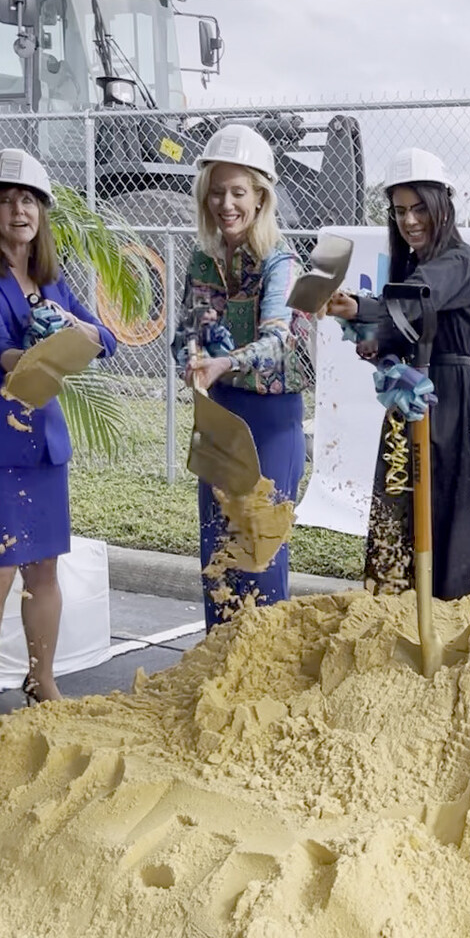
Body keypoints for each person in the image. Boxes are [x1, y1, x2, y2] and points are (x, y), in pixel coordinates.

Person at [0, 148, 116, 737]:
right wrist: (47, 349)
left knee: (44, 574)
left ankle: (42, 682)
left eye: (29, 200)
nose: (19, 210)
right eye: (6, 199)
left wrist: (76, 330)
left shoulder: (52, 282)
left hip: (41, 446)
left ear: (42, 213)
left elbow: (106, 339)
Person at [325, 148, 470, 599]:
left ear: (443, 204)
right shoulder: (411, 264)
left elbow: (417, 298)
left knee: (454, 524)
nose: (410, 220)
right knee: (398, 514)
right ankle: (395, 618)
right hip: (411, 401)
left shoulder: (458, 262)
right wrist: (377, 342)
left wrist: (360, 306)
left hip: (452, 405)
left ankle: (448, 628)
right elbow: (402, 326)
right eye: (400, 210)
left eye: (420, 207)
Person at [170, 123, 314, 629]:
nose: (225, 204)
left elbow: (278, 340)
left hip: (270, 420)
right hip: (220, 416)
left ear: (260, 197)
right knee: (218, 549)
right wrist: (191, 356)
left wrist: (224, 363)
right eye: (216, 193)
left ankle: (262, 674)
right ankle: (219, 665)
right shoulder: (202, 260)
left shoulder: (282, 262)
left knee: (260, 547)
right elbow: (184, 334)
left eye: (237, 192)